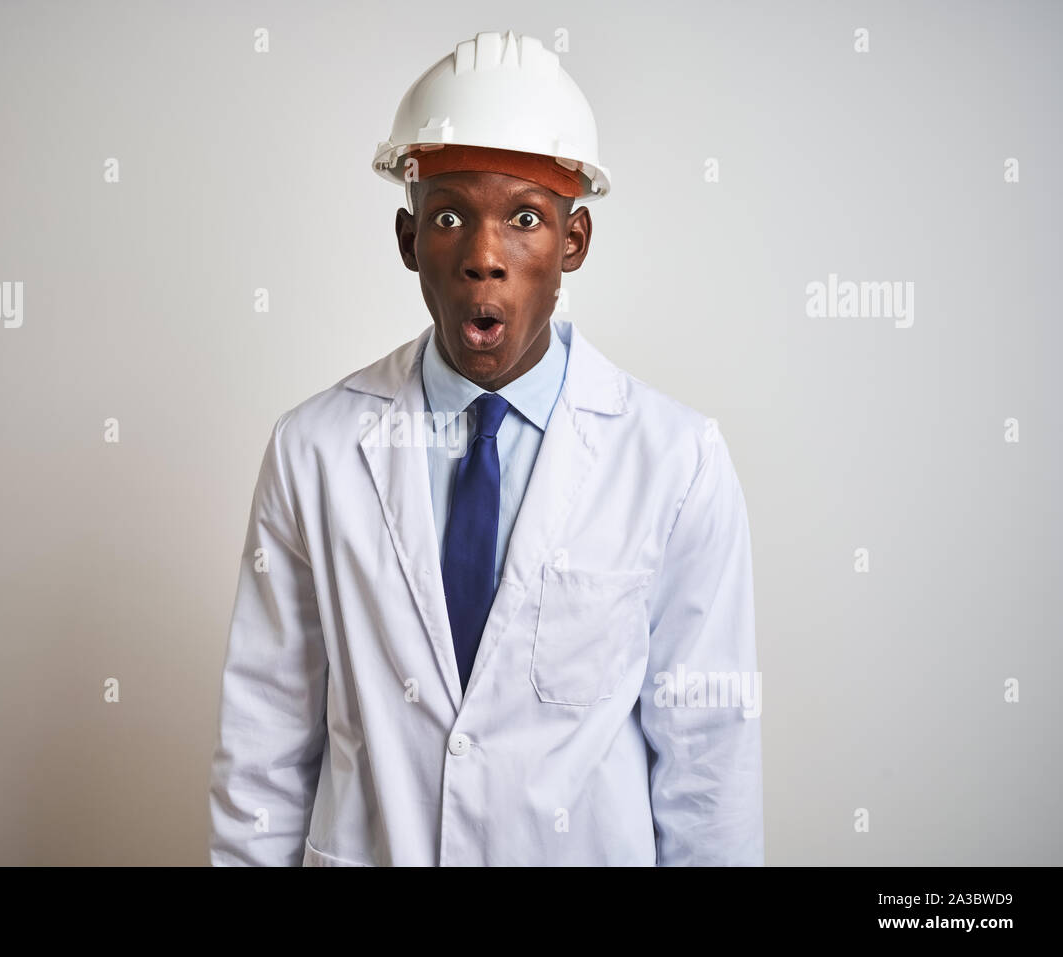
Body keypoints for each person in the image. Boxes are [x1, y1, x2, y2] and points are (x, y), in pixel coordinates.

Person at [208, 29, 763, 866]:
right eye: (450, 216)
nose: (484, 257)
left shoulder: (677, 461)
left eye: (527, 218)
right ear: (408, 240)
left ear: (572, 243)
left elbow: (709, 762)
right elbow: (264, 743)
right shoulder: (313, 450)